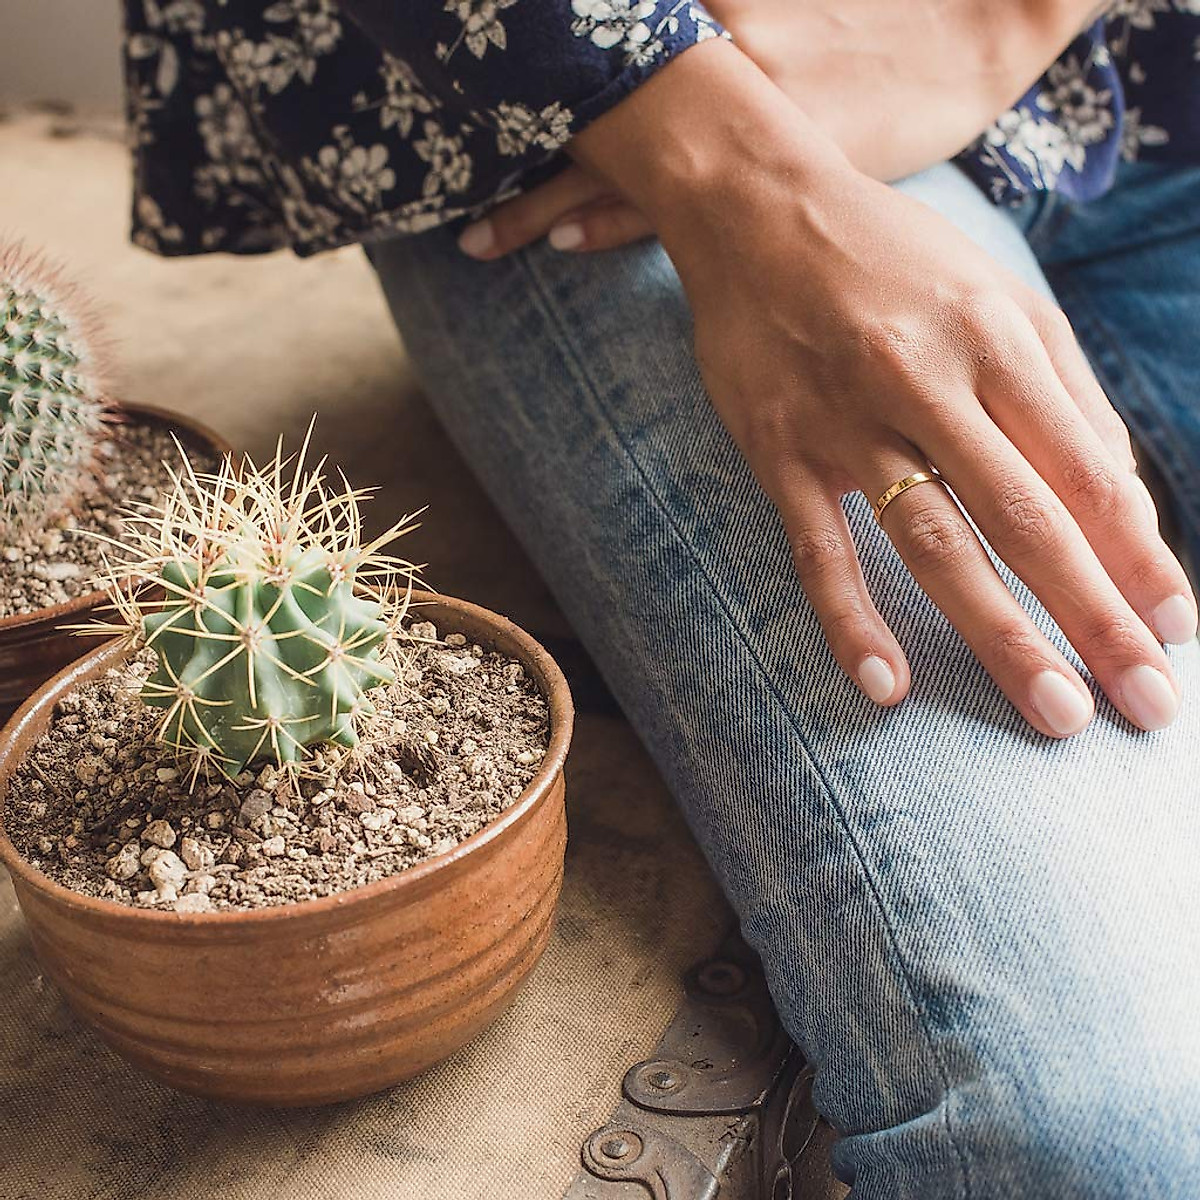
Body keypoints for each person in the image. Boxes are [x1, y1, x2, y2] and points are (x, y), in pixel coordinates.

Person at [122, 2, 1200, 1194]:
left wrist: (1002, 22)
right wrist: (730, 159)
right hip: (621, 98)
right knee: (1115, 1131)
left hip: (1152, 71)